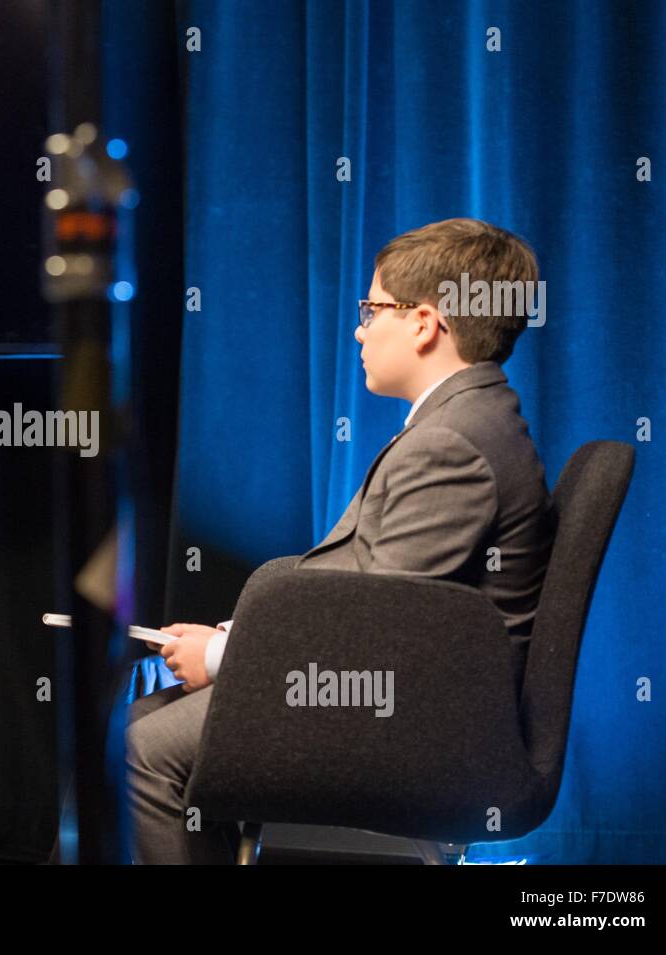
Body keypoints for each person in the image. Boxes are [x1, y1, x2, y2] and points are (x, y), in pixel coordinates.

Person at [126, 218, 554, 864]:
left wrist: (223, 656)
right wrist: (238, 638)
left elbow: (379, 629)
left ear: (424, 322)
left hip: (409, 721)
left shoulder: (452, 443)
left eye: (371, 308)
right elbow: (368, 592)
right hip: (389, 693)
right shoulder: (463, 419)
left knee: (139, 755)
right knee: (134, 724)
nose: (358, 328)